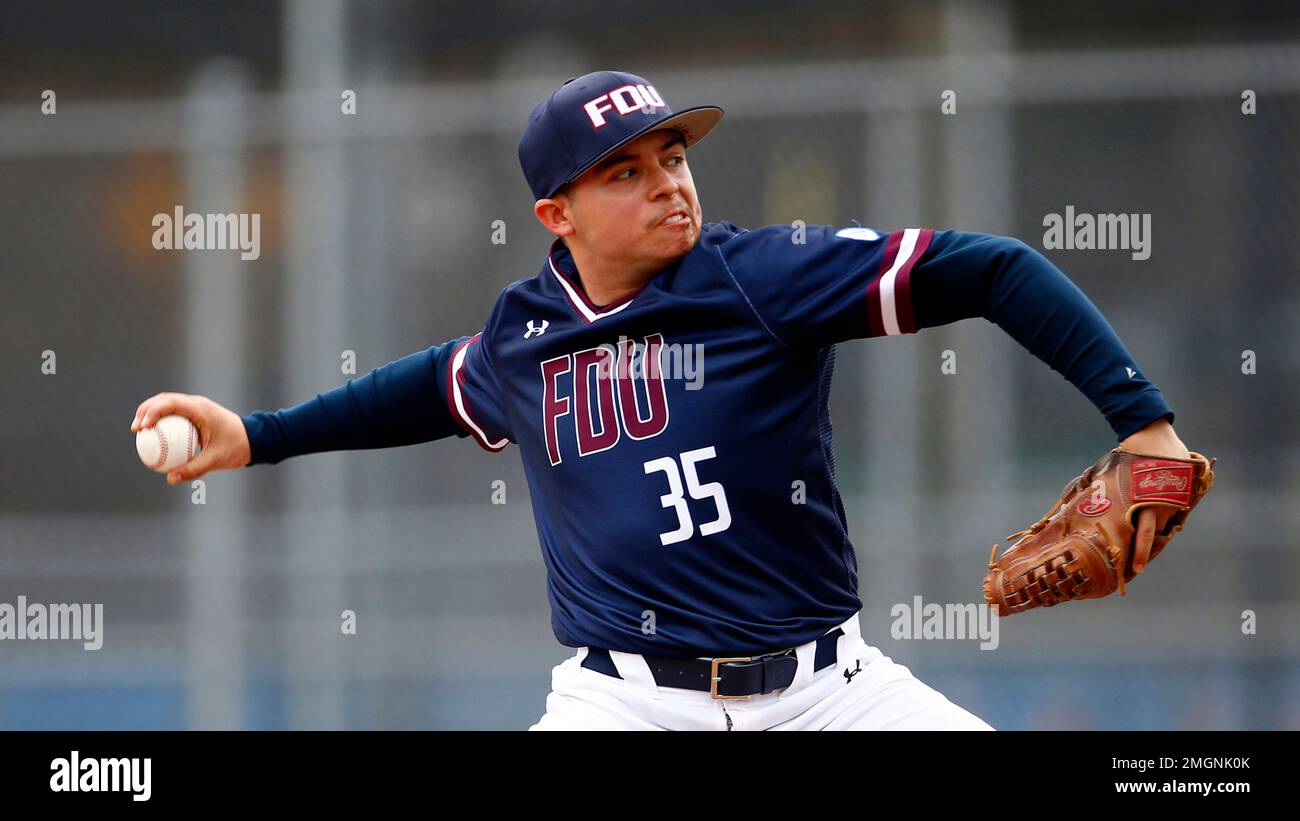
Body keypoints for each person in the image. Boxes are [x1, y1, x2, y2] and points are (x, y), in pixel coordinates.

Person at [130, 70, 1194, 730]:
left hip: (831, 693)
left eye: (672, 155)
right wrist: (254, 437)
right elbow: (414, 389)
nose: (669, 182)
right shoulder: (522, 336)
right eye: (625, 171)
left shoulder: (762, 275)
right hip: (623, 701)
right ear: (560, 212)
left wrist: (1140, 421)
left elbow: (993, 269)